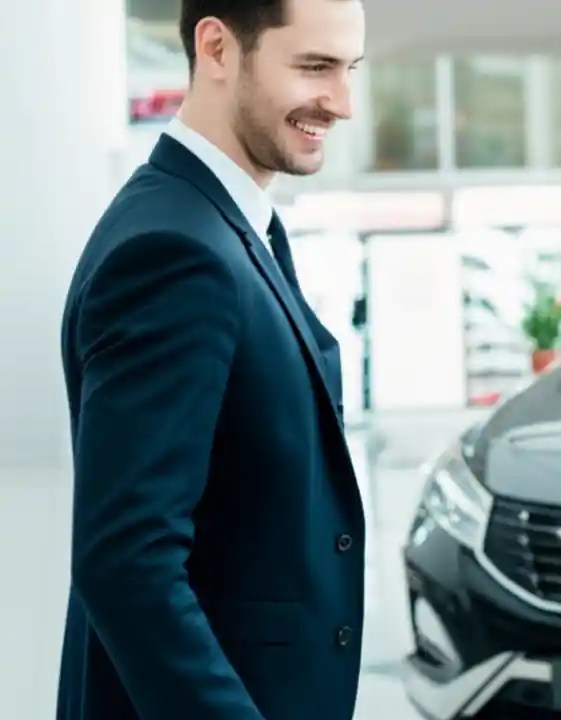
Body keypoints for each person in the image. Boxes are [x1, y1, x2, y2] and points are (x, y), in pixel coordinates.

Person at [56, 1, 366, 718]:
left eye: (349, 69)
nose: (343, 104)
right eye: (315, 67)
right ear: (218, 48)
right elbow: (127, 566)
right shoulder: (174, 253)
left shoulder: (226, 227)